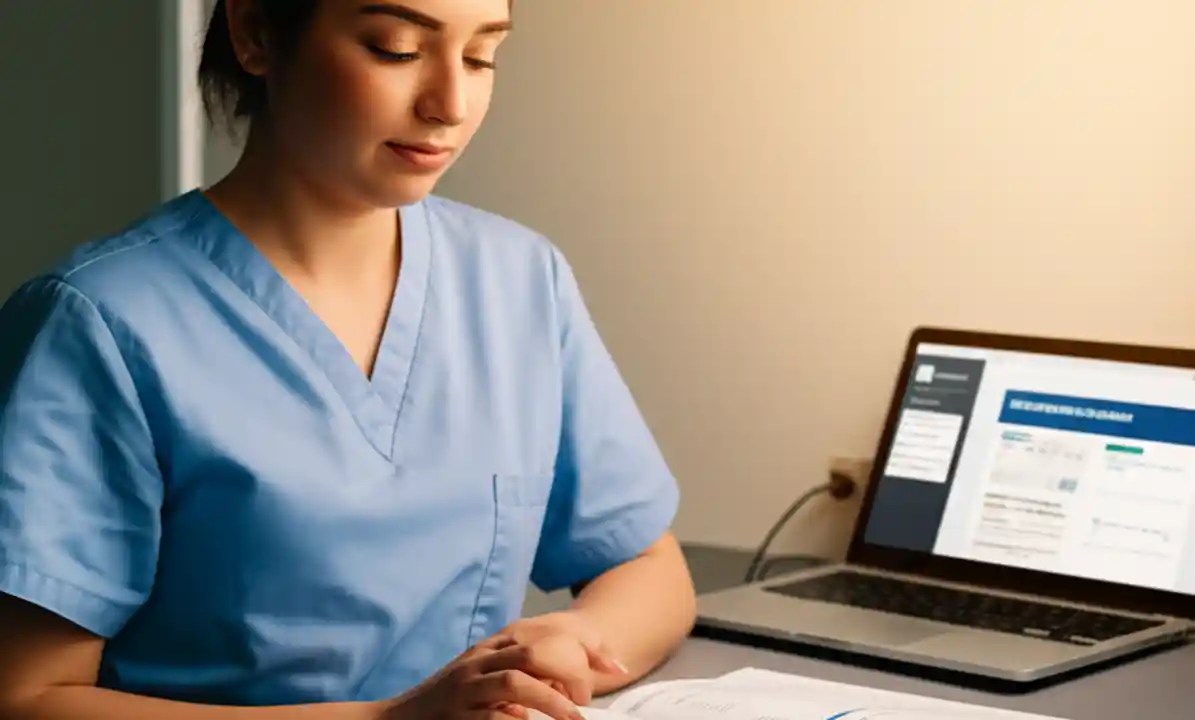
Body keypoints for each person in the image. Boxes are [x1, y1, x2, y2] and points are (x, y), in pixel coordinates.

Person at [0, 1, 697, 718]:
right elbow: (25, 697)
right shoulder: (98, 322)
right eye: (396, 49)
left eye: (482, 56)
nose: (449, 104)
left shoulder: (518, 280)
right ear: (257, 33)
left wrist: (566, 643)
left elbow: (647, 565)